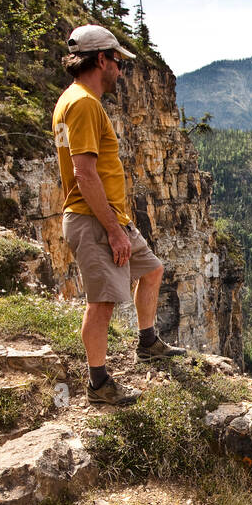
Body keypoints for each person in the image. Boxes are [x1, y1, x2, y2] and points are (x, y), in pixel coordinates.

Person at [52, 24, 185, 406]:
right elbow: (84, 172)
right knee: (102, 302)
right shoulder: (82, 104)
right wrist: (112, 229)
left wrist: (119, 224)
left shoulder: (70, 101)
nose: (121, 71)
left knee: (152, 269)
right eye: (117, 62)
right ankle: (98, 385)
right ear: (100, 60)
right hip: (94, 219)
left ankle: (147, 343)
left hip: (111, 216)